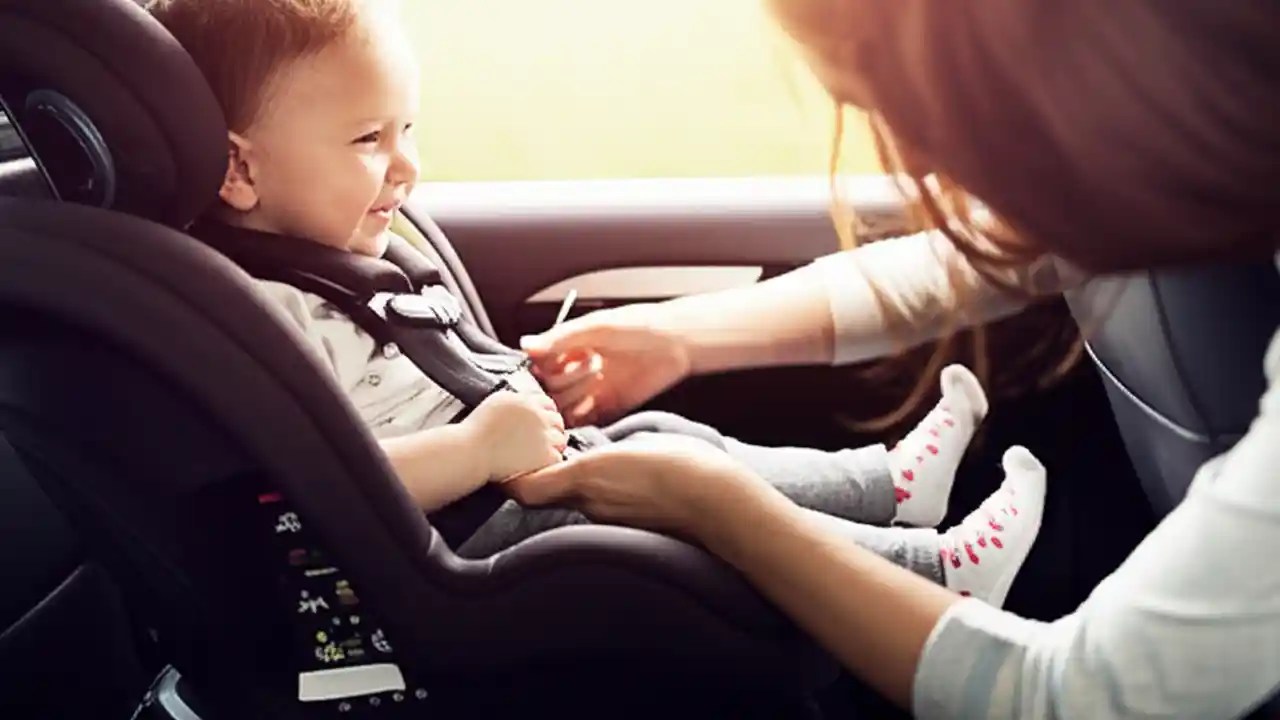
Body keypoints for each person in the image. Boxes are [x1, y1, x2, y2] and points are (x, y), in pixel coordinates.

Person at [507, 1, 1280, 718]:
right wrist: (680, 337)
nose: (925, 170)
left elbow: (1071, 699)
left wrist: (719, 509)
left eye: (916, 121)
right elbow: (987, 259)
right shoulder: (1144, 156)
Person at [146, 0, 1048, 605]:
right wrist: (474, 446)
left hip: (498, 479)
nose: (409, 167)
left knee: (672, 444)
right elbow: (304, 489)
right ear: (238, 168)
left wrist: (502, 388)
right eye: (367, 139)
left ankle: (885, 487)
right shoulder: (260, 318)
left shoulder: (337, 266)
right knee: (682, 516)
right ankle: (931, 575)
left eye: (408, 130)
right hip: (460, 537)